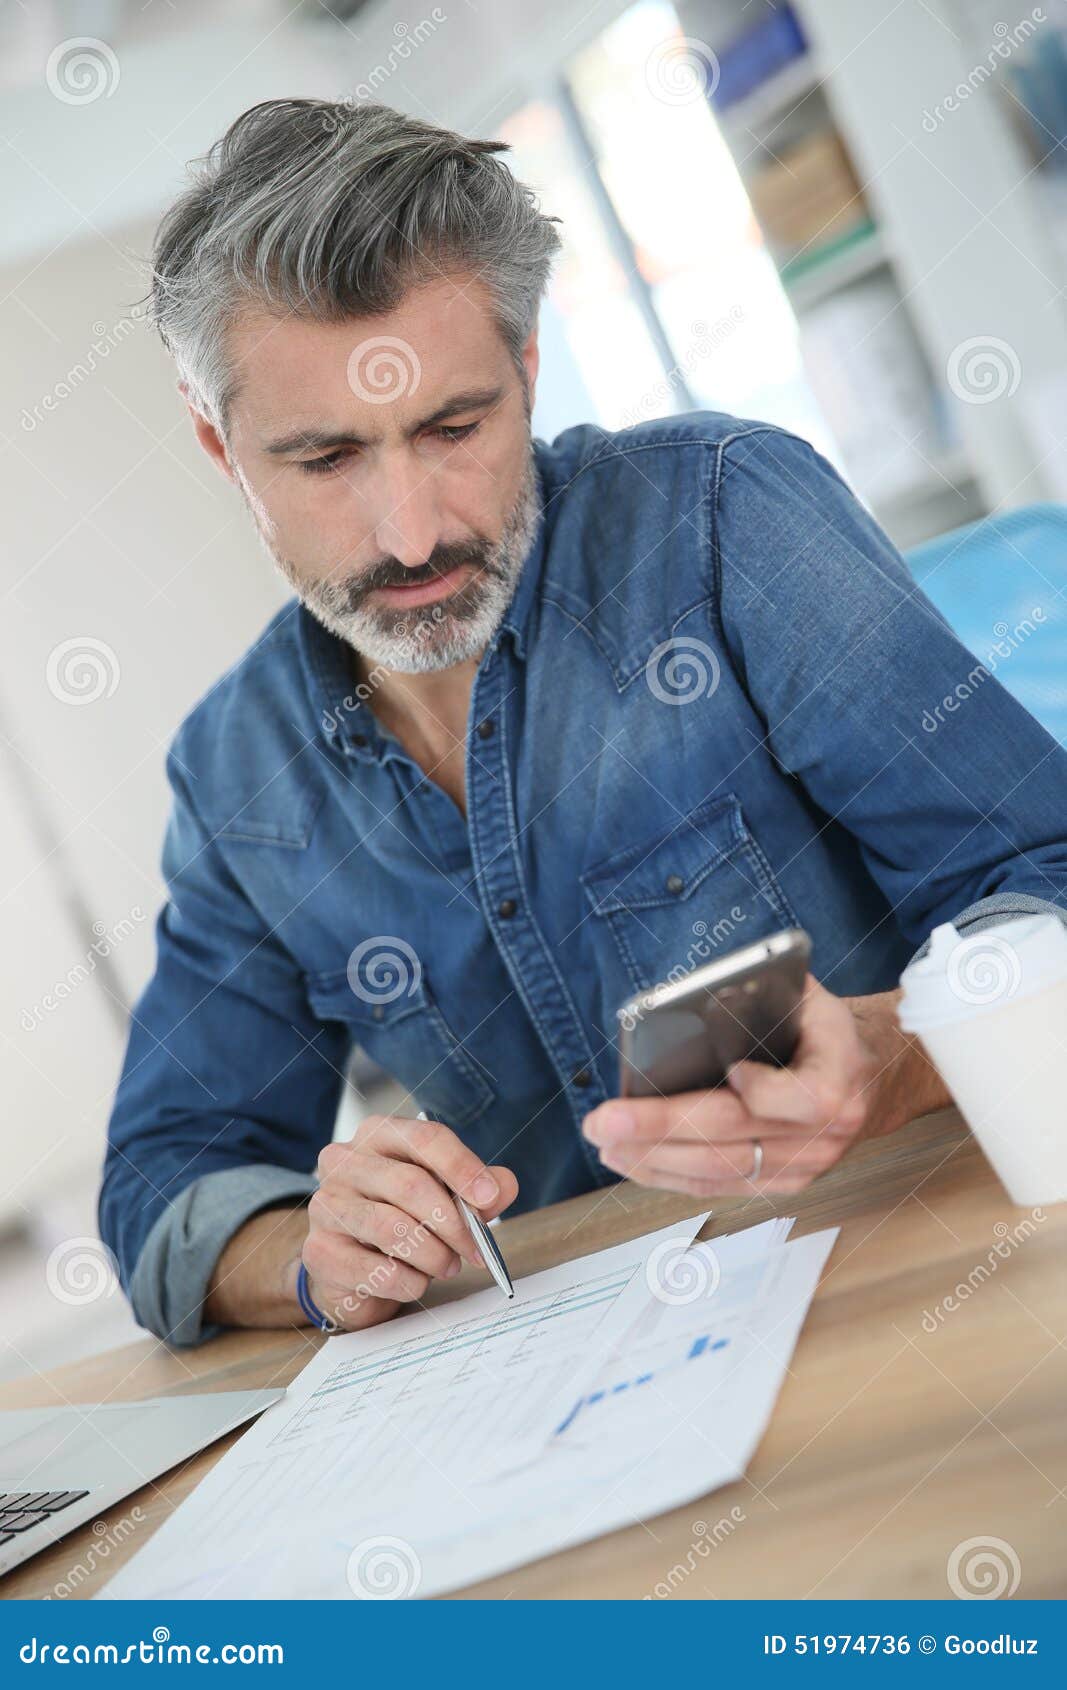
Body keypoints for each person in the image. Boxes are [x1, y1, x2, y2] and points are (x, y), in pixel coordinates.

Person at [100, 98, 1067, 1346]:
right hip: (591, 1376)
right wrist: (303, 1248)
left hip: (934, 1287)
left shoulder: (725, 522)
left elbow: (1040, 877)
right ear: (219, 446)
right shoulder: (239, 774)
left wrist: (897, 1051)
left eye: (454, 428)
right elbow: (163, 1181)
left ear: (526, 371)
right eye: (326, 460)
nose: (411, 533)